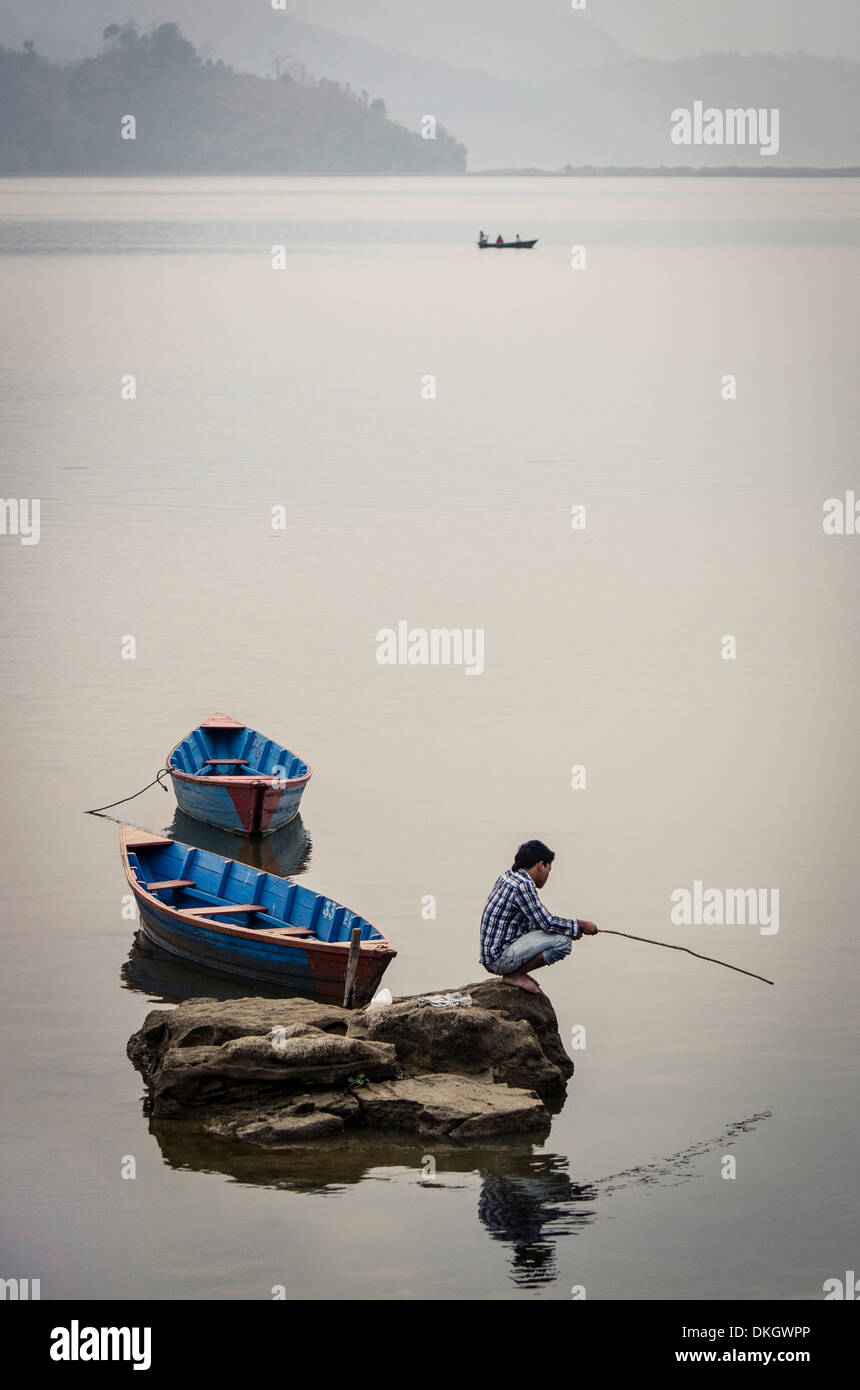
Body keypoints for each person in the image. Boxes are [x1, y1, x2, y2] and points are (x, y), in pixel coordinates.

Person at [479, 840, 597, 992]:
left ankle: (517, 972)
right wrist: (579, 925)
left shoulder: (509, 877)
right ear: (541, 865)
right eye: (549, 869)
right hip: (499, 959)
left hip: (492, 954)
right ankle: (515, 974)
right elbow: (546, 922)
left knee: (558, 932)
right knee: (563, 943)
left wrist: (568, 928)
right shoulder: (523, 886)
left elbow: (535, 921)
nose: (548, 874)